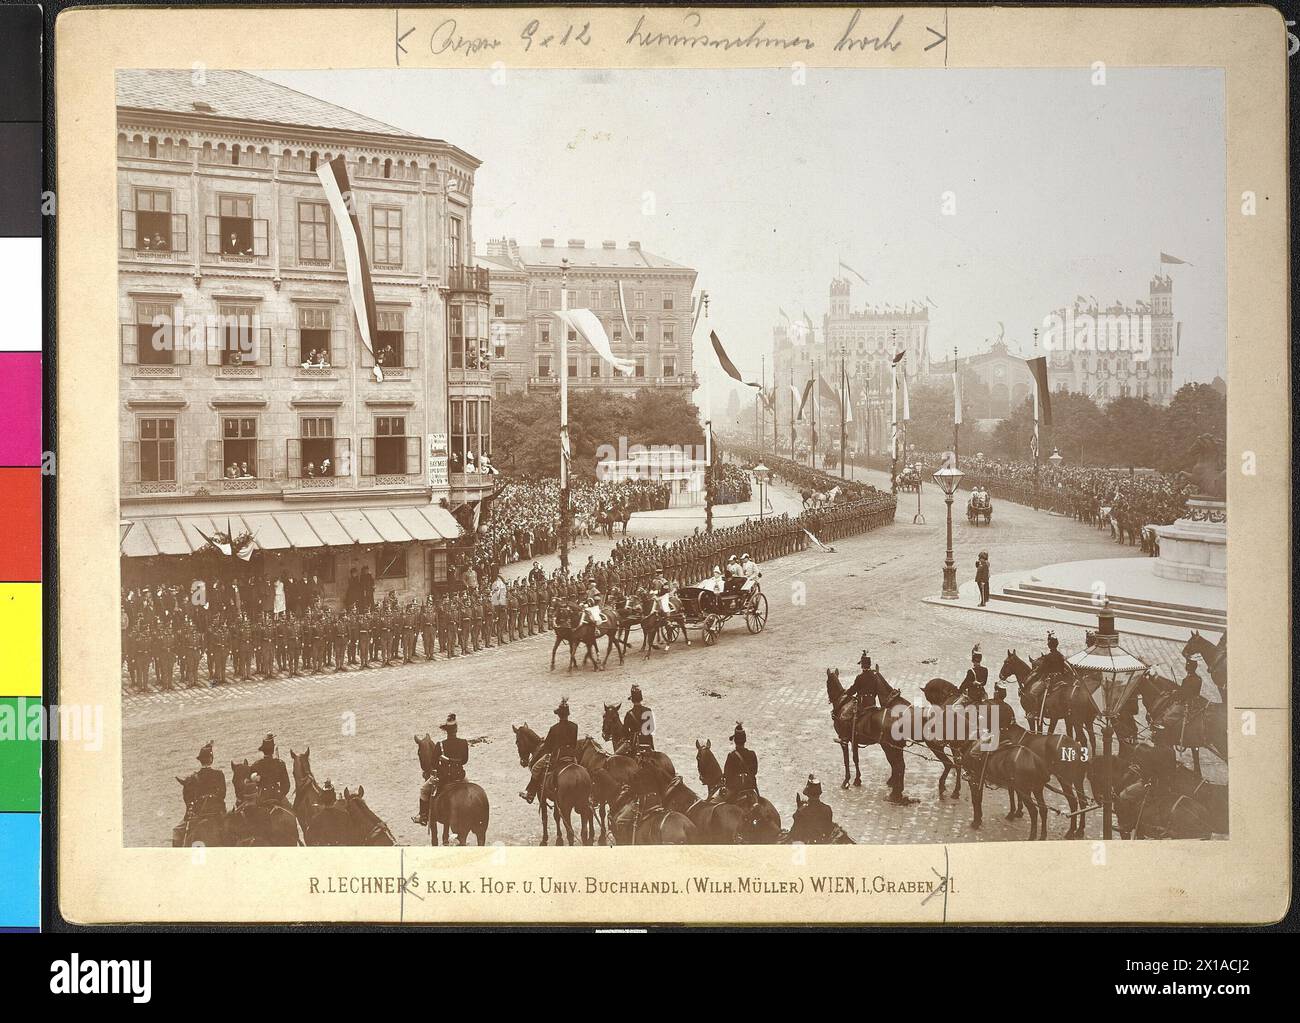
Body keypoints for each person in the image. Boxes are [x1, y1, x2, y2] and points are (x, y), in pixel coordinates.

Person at [414, 714, 470, 826]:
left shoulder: (440, 745)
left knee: (423, 790)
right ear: (456, 729)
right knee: (469, 790)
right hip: (460, 776)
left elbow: (433, 764)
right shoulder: (463, 742)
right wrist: (454, 761)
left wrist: (445, 762)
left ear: (446, 731)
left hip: (444, 778)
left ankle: (423, 816)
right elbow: (464, 761)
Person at [521, 698, 579, 804]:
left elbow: (548, 746)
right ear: (568, 714)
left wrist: (545, 742)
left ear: (558, 715)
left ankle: (530, 793)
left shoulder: (554, 728)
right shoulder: (574, 727)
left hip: (557, 756)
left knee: (535, 769)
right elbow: (574, 744)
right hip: (571, 756)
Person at [789, 774, 834, 845]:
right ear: (819, 794)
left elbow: (794, 834)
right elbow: (829, 831)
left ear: (808, 794)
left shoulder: (802, 811)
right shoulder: (827, 809)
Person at [249, 734, 291, 803]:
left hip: (262, 798)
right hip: (277, 796)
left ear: (263, 750)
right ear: (273, 750)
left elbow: (249, 782)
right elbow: (286, 785)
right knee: (293, 812)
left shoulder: (256, 765)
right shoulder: (280, 764)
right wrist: (280, 797)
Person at [722, 722, 759, 801]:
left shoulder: (731, 756)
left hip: (735, 790)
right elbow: (754, 771)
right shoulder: (752, 754)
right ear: (745, 740)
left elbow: (727, 774)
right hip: (750, 787)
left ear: (735, 741)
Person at [622, 685, 655, 755]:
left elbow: (625, 732)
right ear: (641, 699)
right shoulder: (648, 710)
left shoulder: (629, 714)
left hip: (635, 745)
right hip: (648, 743)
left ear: (632, 700)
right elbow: (651, 729)